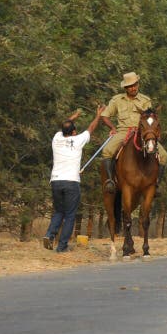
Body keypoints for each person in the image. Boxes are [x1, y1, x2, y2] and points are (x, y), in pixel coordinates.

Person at [43, 105, 104, 252]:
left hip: (56, 181)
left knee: (59, 211)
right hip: (71, 182)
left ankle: (50, 235)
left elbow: (64, 126)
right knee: (70, 215)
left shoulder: (56, 138)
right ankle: (62, 247)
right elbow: (91, 128)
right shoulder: (78, 140)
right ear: (74, 132)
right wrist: (98, 115)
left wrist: (73, 117)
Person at [100, 72, 167, 194]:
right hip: (123, 131)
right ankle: (110, 181)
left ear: (138, 84)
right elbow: (104, 115)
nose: (133, 88)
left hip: (143, 133)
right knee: (107, 151)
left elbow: (150, 118)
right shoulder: (117, 100)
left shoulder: (145, 100)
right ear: (125, 88)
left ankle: (157, 184)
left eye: (135, 85)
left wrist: (152, 131)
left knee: (163, 155)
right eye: (130, 86)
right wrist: (112, 127)